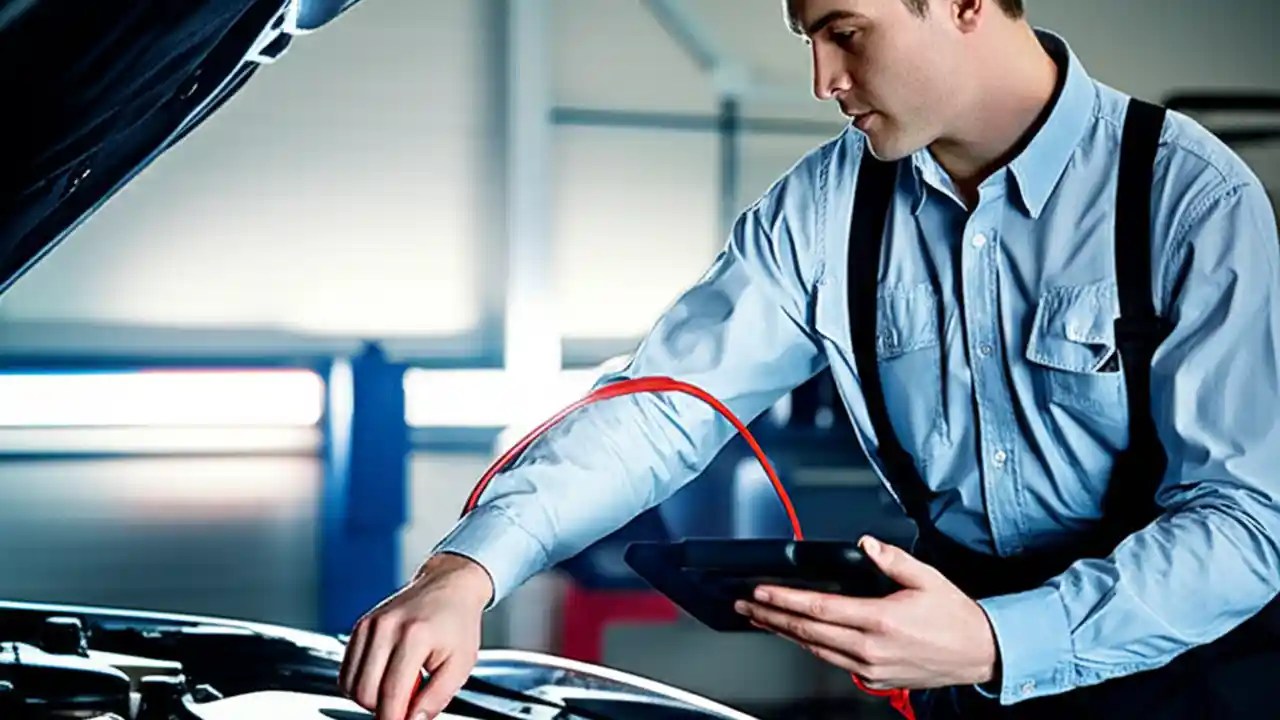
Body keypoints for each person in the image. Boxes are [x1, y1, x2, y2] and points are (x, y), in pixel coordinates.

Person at [339, 0, 1280, 718]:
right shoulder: (826, 209)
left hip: (1187, 667)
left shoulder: (1188, 197)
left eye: (845, 32)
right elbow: (667, 405)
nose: (824, 79)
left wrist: (1000, 640)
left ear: (963, 3)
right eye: (809, 40)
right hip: (954, 667)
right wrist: (466, 572)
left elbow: (1246, 524)